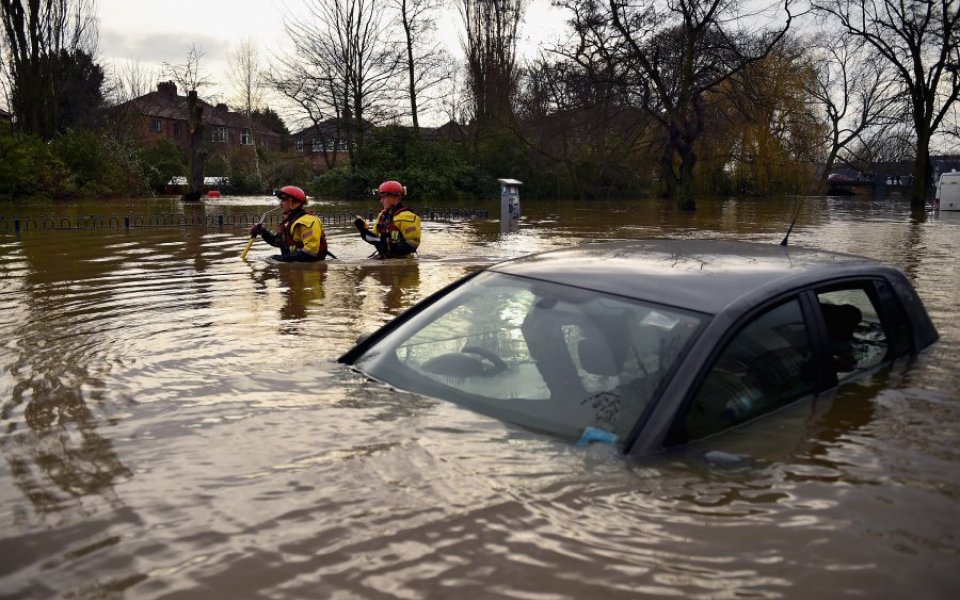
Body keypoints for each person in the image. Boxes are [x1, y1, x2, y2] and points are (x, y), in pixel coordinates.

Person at [249, 185, 333, 262]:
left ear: (294, 203)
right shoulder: (289, 222)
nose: (280, 204)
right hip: (294, 265)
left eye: (283, 200)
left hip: (310, 270)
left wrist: (281, 259)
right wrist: (263, 232)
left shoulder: (309, 222)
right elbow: (278, 242)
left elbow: (310, 253)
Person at [354, 180, 421, 258]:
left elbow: (413, 244)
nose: (381, 201)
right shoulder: (382, 216)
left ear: (396, 197)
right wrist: (362, 230)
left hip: (400, 261)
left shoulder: (407, 217)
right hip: (385, 257)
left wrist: (390, 249)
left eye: (384, 197)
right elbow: (375, 239)